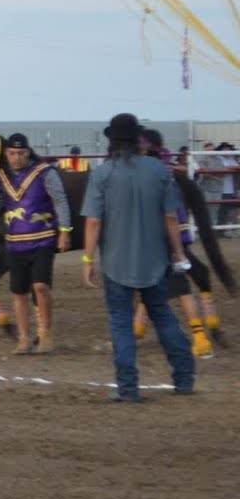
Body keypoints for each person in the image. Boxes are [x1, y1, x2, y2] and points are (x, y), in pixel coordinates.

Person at [81, 113, 194, 402]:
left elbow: (93, 221)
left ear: (111, 141)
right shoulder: (158, 170)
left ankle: (128, 388)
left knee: (121, 323)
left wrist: (87, 259)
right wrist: (178, 253)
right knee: (163, 316)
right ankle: (184, 378)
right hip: (155, 260)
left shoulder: (102, 174)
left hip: (116, 262)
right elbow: (170, 216)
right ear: (137, 139)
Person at [0, 133, 71, 354]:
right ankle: (23, 338)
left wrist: (65, 230)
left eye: (21, 153)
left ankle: (45, 333)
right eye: (12, 153)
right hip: (16, 244)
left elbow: (60, 200)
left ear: (28, 153)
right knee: (18, 292)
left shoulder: (44, 173)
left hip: (43, 240)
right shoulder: (3, 179)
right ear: (7, 155)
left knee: (40, 286)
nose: (17, 157)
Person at [131, 128, 217, 358]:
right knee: (151, 286)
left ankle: (200, 337)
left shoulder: (152, 174)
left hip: (161, 240)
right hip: (172, 237)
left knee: (180, 290)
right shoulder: (167, 172)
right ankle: (136, 330)